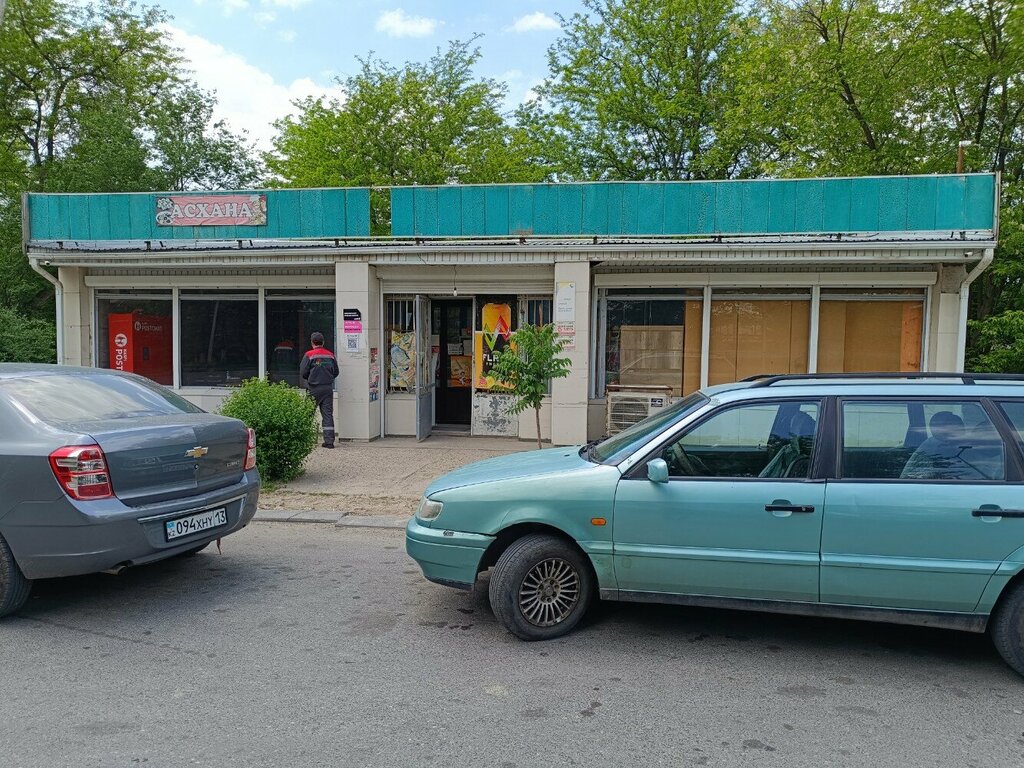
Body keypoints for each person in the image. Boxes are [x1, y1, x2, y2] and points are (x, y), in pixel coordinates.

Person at [300, 332, 340, 448]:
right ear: (323, 342)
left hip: (313, 388)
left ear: (312, 342)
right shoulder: (330, 355)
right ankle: (329, 442)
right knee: (327, 415)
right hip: (327, 388)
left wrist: (311, 378)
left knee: (307, 414)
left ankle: (304, 440)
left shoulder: (309, 355)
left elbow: (303, 372)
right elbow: (336, 372)